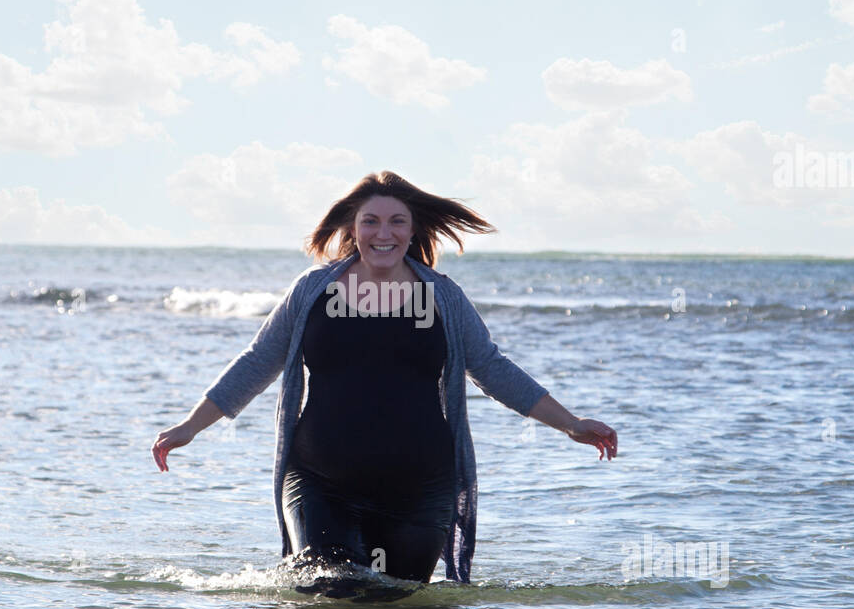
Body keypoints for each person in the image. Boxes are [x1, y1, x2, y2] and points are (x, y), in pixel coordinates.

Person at [152, 171, 616, 584]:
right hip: (320, 480)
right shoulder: (313, 291)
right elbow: (257, 362)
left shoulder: (443, 299)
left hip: (418, 491)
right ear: (353, 228)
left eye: (396, 221)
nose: (383, 233)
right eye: (371, 221)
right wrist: (189, 427)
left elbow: (492, 368)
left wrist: (571, 423)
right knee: (325, 584)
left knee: (395, 607)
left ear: (413, 231)